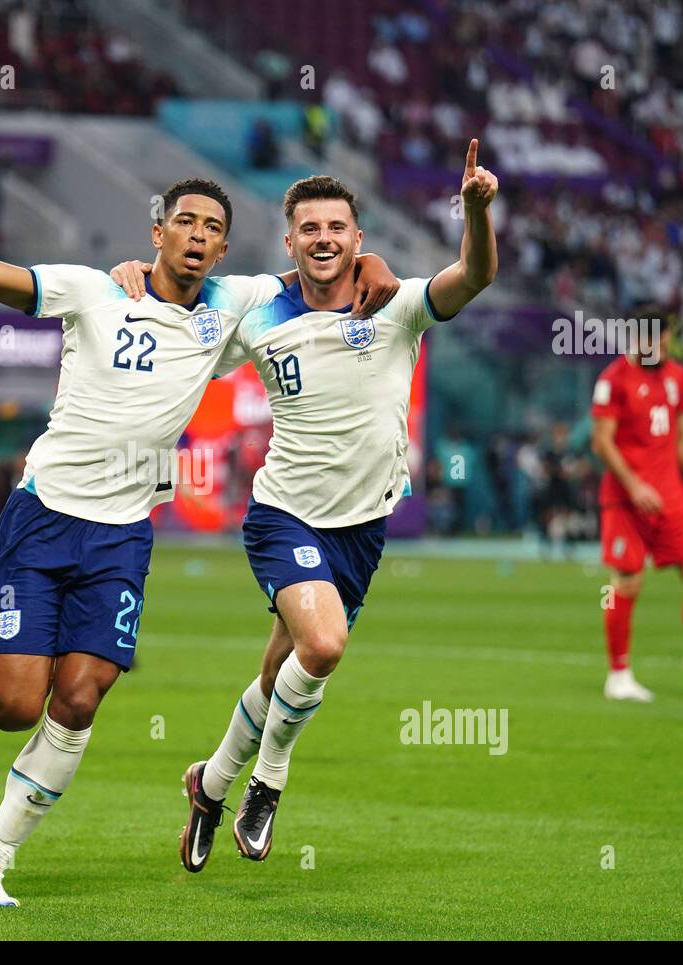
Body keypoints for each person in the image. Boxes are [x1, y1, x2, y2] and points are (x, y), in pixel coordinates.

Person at [0, 174, 397, 905]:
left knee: (79, 700)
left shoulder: (234, 307)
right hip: (44, 516)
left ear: (224, 247)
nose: (198, 235)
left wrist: (373, 264)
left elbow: (320, 261)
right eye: (186, 222)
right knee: (15, 707)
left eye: (212, 227)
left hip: (123, 537)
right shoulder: (94, 290)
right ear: (158, 233)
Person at [167, 142, 498, 871]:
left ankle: (209, 783)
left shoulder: (397, 303)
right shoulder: (255, 306)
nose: (324, 239)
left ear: (358, 238)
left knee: (281, 671)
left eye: (337, 228)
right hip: (285, 511)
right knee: (322, 648)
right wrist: (138, 274)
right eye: (309, 228)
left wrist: (475, 211)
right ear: (289, 241)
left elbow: (474, 276)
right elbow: (175, 303)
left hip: (363, 528)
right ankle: (268, 784)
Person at [591, 308, 683, 703]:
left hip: (672, 497)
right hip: (625, 501)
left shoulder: (677, 376)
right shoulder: (613, 380)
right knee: (627, 583)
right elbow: (602, 442)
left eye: (664, 338)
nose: (659, 345)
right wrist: (634, 484)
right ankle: (619, 674)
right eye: (651, 338)